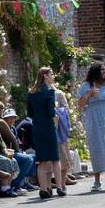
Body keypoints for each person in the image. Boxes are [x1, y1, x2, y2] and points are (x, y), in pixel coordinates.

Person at [77, 63, 105, 191]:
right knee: (96, 146)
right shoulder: (86, 86)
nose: (104, 72)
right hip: (94, 118)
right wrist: (89, 94)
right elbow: (80, 104)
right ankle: (97, 181)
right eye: (101, 70)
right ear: (95, 72)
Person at [25, 67, 63, 199]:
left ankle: (43, 189)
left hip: (37, 127)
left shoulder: (31, 93)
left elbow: (29, 113)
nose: (53, 76)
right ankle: (59, 187)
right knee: (55, 159)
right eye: (51, 74)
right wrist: (55, 108)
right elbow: (51, 112)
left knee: (41, 160)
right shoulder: (49, 91)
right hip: (48, 126)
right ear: (45, 76)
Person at [0, 107, 37, 192]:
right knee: (28, 159)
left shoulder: (13, 128)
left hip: (16, 152)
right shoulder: (3, 128)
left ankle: (26, 181)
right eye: (10, 117)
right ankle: (15, 184)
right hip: (8, 153)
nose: (12, 119)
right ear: (5, 118)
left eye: (13, 117)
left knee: (33, 156)